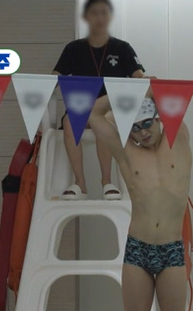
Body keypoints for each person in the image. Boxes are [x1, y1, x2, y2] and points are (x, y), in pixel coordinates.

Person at [87, 96, 191, 311]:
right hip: (138, 249)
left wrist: (147, 90)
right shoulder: (125, 150)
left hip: (171, 250)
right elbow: (94, 114)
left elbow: (175, 98)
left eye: (147, 124)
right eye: (134, 128)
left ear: (159, 119)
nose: (143, 133)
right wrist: (122, 95)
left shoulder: (179, 139)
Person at [53, 0, 147, 201]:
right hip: (81, 109)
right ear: (86, 17)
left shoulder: (122, 48)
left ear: (110, 17)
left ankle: (107, 181)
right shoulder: (73, 48)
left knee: (102, 120)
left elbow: (138, 76)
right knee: (69, 122)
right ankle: (80, 183)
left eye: (104, 13)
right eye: (94, 13)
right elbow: (55, 77)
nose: (99, 18)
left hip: (110, 109)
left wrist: (149, 81)